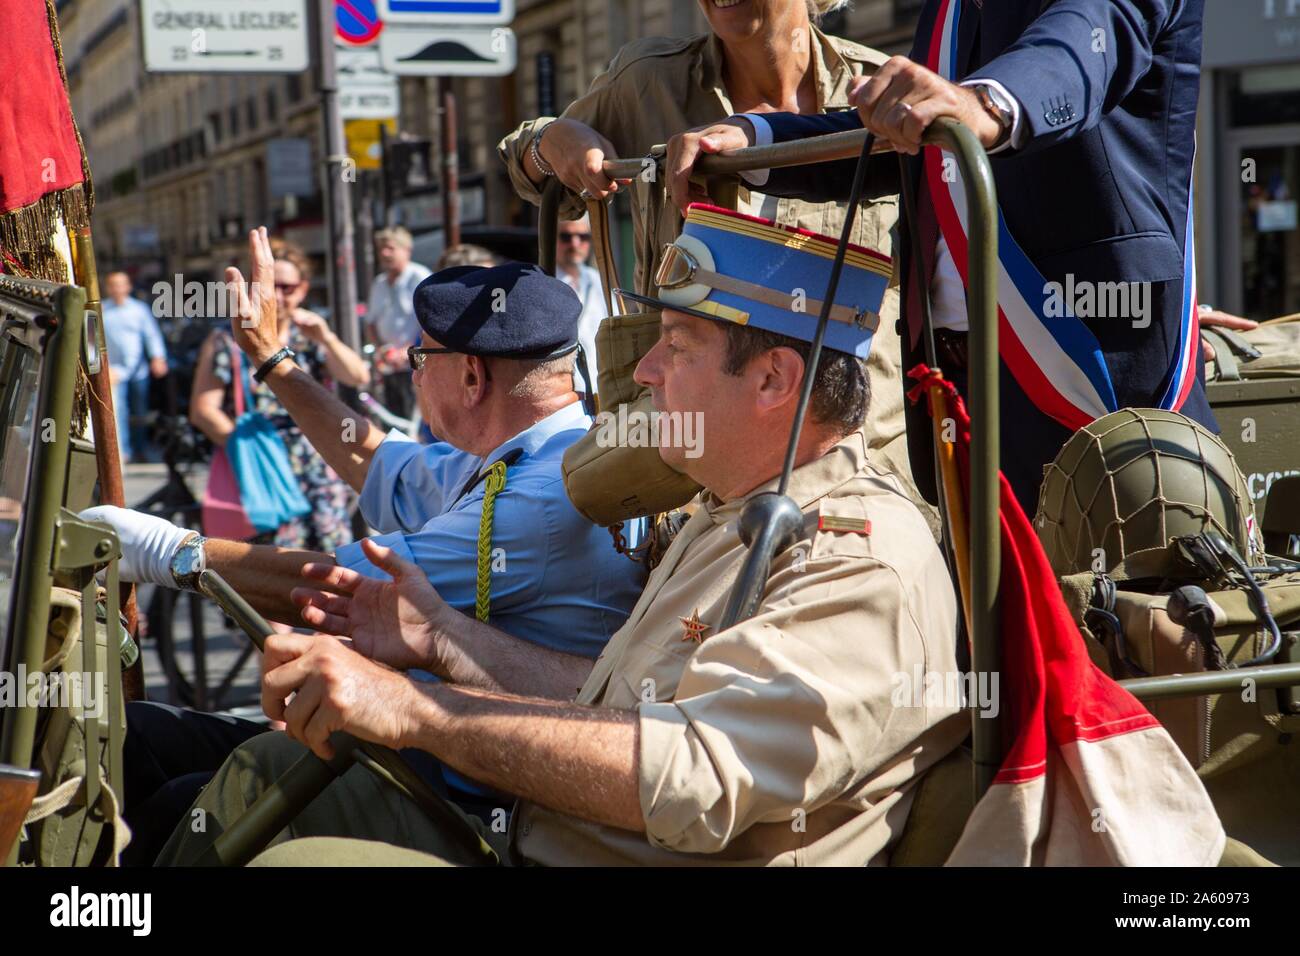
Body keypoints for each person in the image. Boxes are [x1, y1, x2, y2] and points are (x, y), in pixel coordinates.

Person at [154, 205, 967, 868]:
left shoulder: (854, 556)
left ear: (772, 381)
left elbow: (699, 773)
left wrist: (420, 711)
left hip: (561, 845)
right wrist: (440, 641)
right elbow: (609, 702)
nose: (644, 373)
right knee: (241, 778)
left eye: (677, 349)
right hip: (541, 835)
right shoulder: (731, 508)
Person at [88, 229, 646, 864]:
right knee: (143, 743)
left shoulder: (533, 503)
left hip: (475, 797)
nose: (412, 371)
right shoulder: (539, 449)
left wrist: (172, 552)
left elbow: (333, 588)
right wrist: (274, 359)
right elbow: (373, 456)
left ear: (470, 375)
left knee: (194, 810)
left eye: (419, 358)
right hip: (434, 756)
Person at [665, 0, 1236, 512]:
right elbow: (916, 139)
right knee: (987, 616)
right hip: (959, 380)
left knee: (1111, 615)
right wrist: (758, 140)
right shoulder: (952, 10)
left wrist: (983, 103)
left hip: (1085, 355)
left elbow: (1075, 49)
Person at [498, 0, 930, 516]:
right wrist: (554, 141)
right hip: (697, 468)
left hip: (857, 450)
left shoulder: (877, 90)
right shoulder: (649, 81)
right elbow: (532, 168)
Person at [189, 238, 368, 555]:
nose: (280, 296)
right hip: (263, 463)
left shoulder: (308, 336)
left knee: (334, 559)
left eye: (289, 287)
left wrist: (326, 337)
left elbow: (356, 376)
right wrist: (251, 453)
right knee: (277, 563)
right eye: (273, 286)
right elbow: (204, 409)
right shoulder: (228, 340)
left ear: (303, 289)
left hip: (317, 460)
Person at [366, 226, 433, 418]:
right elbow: (370, 323)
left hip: (418, 359)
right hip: (389, 362)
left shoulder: (419, 276)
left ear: (407, 250)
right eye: (381, 249)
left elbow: (430, 322)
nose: (384, 253)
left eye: (390, 248)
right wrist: (381, 349)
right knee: (394, 417)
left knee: (423, 416)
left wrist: (407, 351)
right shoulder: (379, 283)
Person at [101, 271, 168, 463]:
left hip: (138, 370)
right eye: (114, 284)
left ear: (128, 287)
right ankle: (124, 451)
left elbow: (151, 335)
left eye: (121, 284)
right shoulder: (103, 310)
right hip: (114, 371)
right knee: (118, 410)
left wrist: (158, 357)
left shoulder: (139, 310)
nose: (118, 289)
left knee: (140, 411)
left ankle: (141, 448)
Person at [554, 214, 608, 396]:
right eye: (566, 237)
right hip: (565, 391)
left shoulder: (598, 280)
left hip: (600, 387)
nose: (575, 243)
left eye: (583, 237)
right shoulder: (545, 283)